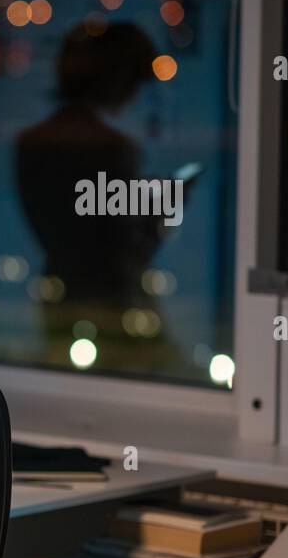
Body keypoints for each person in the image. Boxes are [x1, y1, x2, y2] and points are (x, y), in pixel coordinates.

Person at [15, 22, 181, 370]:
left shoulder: (31, 144)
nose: (135, 94)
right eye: (134, 81)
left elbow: (63, 227)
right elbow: (125, 248)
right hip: (113, 307)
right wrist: (163, 210)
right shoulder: (112, 150)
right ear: (117, 80)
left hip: (60, 295)